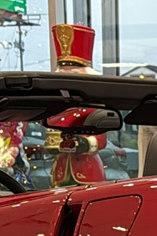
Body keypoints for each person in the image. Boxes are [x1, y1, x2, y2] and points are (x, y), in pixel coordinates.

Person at [45, 23, 111, 186]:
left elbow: (101, 139)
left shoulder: (95, 103)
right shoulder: (57, 105)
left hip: (87, 171)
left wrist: (85, 143)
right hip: (61, 170)